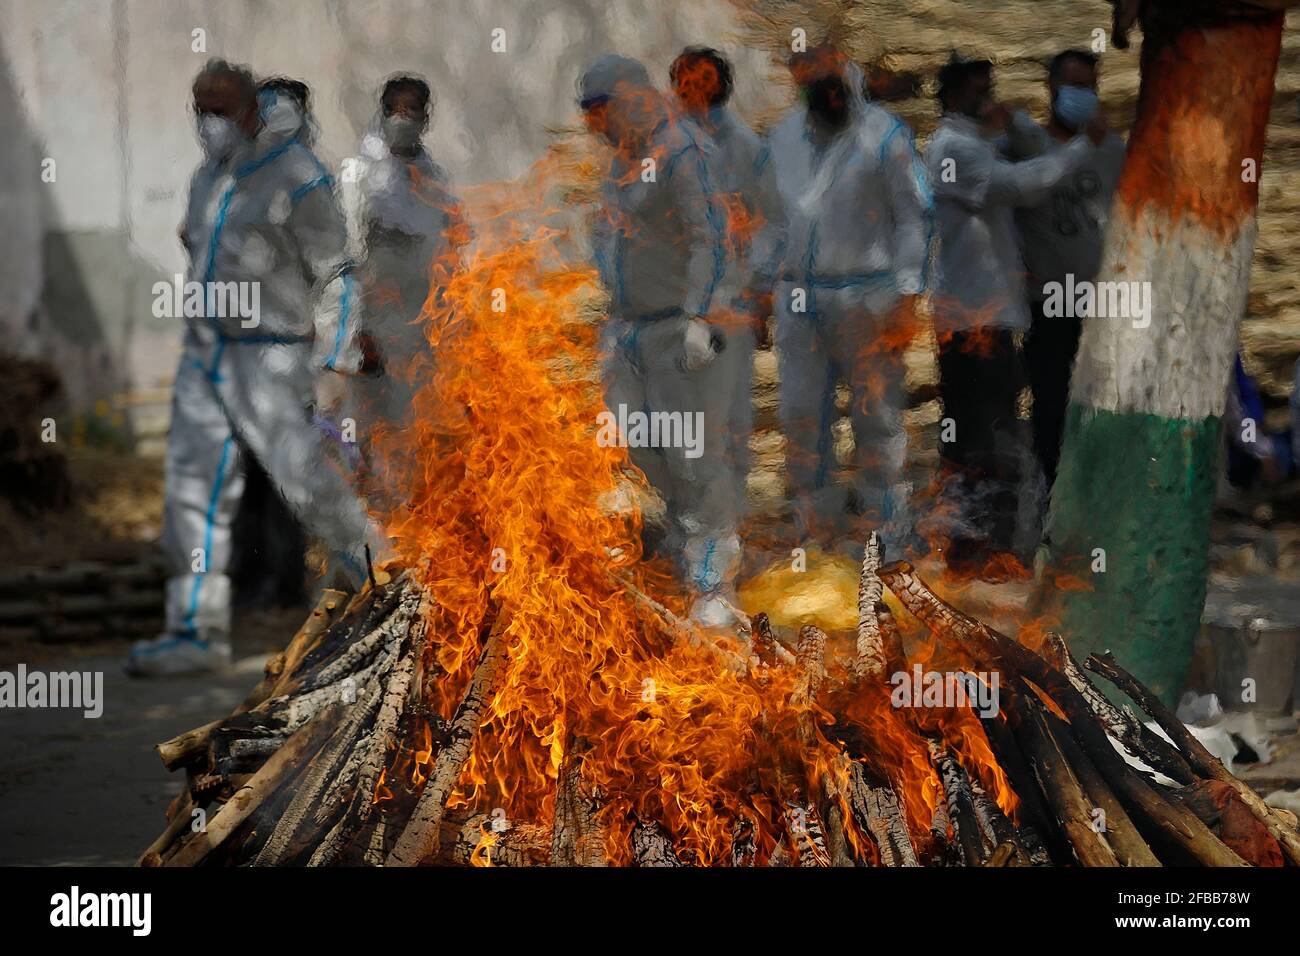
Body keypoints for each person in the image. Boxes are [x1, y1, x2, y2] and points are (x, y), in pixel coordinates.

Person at [127, 59, 384, 676]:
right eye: (200, 110)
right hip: (207, 350)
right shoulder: (208, 177)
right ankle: (195, 631)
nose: (209, 122)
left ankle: (390, 582)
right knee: (193, 491)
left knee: (308, 483)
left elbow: (335, 269)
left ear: (249, 109)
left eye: (219, 108)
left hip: (270, 352)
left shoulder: (296, 174)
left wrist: (335, 358)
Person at [923, 56, 1106, 570]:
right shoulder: (955, 149)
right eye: (982, 91)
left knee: (985, 433)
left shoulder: (974, 144)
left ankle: (977, 547)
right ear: (958, 96)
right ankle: (985, 553)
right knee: (990, 436)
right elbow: (1029, 182)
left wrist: (1019, 124)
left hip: (986, 317)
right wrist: (1083, 145)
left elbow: (1025, 156)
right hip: (976, 321)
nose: (991, 99)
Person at [579, 54, 741, 627]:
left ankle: (713, 582)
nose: (595, 127)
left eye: (602, 112)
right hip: (627, 330)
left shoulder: (682, 150)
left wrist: (699, 316)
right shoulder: (618, 164)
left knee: (691, 453)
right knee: (641, 450)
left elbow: (710, 238)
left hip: (675, 327)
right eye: (590, 116)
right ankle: (679, 561)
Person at [766, 45, 931, 551]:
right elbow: (769, 222)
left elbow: (914, 217)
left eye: (836, 85)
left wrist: (908, 293)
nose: (828, 95)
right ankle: (816, 539)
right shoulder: (783, 139)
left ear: (849, 84)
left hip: (871, 294)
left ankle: (888, 536)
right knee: (801, 415)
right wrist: (756, 288)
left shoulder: (885, 135)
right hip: (799, 296)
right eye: (818, 87)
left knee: (876, 416)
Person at [669, 45, 785, 527]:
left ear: (722, 87)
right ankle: (686, 525)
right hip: (671, 308)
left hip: (729, 309)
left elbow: (773, 224)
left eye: (705, 80)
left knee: (730, 422)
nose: (696, 90)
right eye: (687, 80)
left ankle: (726, 531)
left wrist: (760, 292)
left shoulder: (747, 148)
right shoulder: (662, 144)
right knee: (678, 424)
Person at [1002, 50, 1126, 488]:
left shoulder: (1114, 152)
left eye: (1089, 87)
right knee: (1052, 404)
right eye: (1072, 86)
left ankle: (1101, 493)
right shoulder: (1028, 148)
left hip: (1104, 301)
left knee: (1105, 402)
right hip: (1050, 300)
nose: (1082, 96)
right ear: (1051, 89)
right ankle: (1053, 499)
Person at [342, 75, 467, 495]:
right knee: (369, 436)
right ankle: (374, 539)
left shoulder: (435, 180)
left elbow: (449, 255)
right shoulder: (359, 177)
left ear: (425, 116)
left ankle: (415, 532)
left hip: (422, 334)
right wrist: (354, 332)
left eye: (412, 109)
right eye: (395, 108)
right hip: (372, 334)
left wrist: (451, 325)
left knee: (420, 435)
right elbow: (345, 262)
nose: (403, 117)